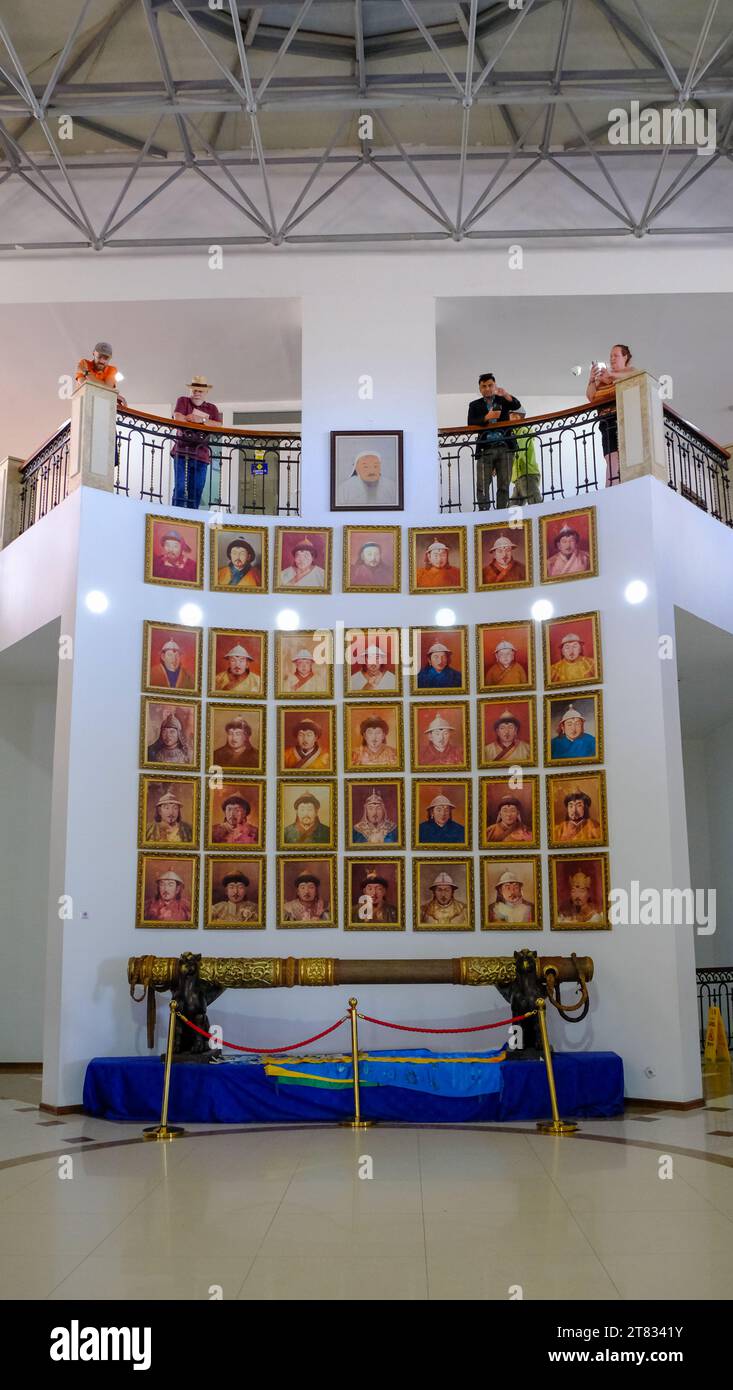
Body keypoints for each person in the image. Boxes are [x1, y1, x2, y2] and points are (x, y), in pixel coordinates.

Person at [467, 372, 522, 510]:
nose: (487, 388)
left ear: (495, 385)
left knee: (504, 484)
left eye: (490, 385)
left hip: (506, 447)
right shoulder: (474, 405)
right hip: (485, 449)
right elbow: (470, 424)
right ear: (480, 389)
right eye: (484, 386)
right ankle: (485, 514)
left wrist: (506, 395)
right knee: (482, 485)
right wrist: (486, 417)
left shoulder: (502, 400)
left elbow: (516, 405)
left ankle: (501, 513)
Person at [585, 344, 638, 486]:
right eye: (611, 356)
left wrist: (611, 375)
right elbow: (591, 397)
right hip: (605, 422)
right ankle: (611, 487)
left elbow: (636, 376)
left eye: (616, 355)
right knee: (610, 457)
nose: (612, 359)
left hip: (622, 419)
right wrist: (592, 379)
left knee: (623, 457)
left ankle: (619, 486)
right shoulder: (602, 379)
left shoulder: (630, 371)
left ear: (625, 357)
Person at [171, 375, 223, 510]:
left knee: (197, 489)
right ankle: (176, 514)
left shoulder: (212, 408)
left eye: (200, 391)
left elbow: (218, 425)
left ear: (206, 392)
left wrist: (201, 420)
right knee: (181, 487)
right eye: (194, 390)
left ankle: (192, 517)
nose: (197, 393)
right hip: (182, 451)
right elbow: (178, 418)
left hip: (201, 454)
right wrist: (192, 419)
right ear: (190, 391)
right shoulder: (182, 401)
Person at [75, 340, 127, 407]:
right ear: (94, 353)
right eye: (99, 356)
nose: (102, 361)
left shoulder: (112, 369)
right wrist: (105, 387)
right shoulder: (84, 363)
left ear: (110, 358)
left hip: (103, 406)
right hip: (85, 406)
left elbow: (108, 388)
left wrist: (86, 372)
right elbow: (86, 387)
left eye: (106, 358)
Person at [510, 410, 542, 505]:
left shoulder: (523, 430)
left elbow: (520, 450)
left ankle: (541, 519)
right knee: (514, 508)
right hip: (519, 476)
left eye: (509, 416)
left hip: (527, 473)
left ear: (517, 417)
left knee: (535, 502)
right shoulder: (515, 433)